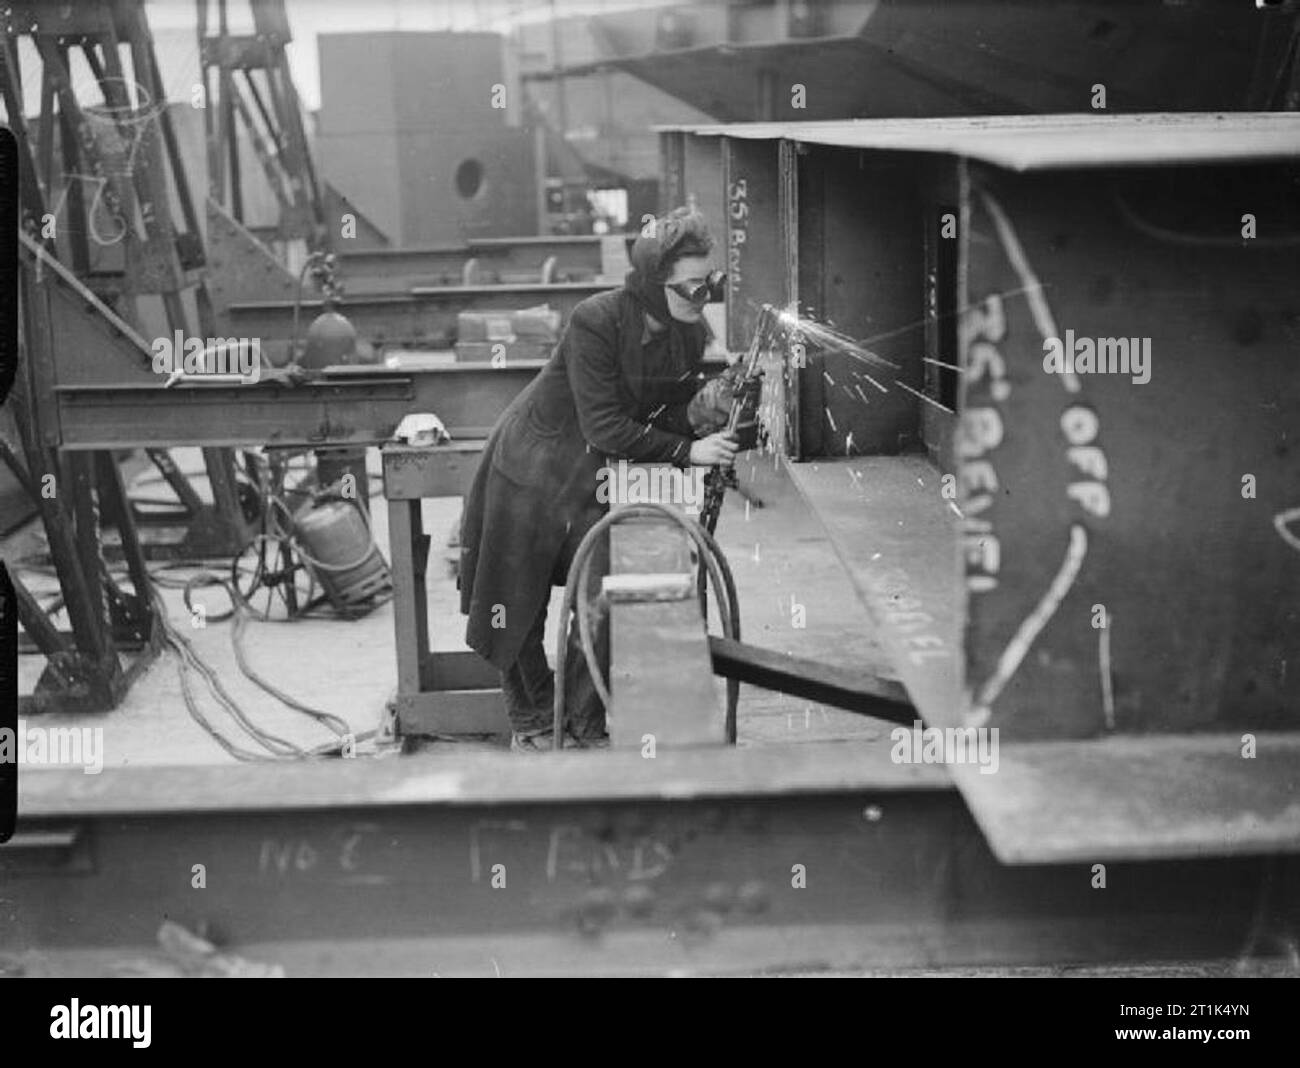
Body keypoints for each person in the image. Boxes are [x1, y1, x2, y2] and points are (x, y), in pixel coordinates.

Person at [458, 207, 741, 753]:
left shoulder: (685, 331)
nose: (704, 294)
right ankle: (534, 720)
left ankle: (584, 721)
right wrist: (689, 451)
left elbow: (662, 408)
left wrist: (707, 408)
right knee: (517, 601)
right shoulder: (597, 319)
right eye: (693, 285)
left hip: (592, 471)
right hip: (533, 464)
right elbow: (607, 423)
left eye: (711, 282)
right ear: (656, 282)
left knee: (601, 590)